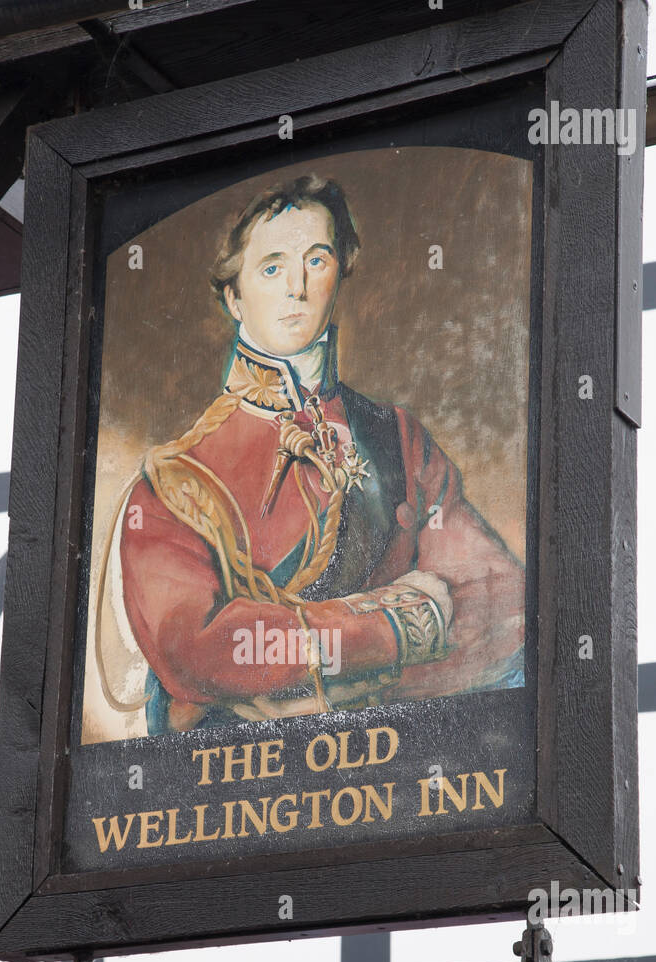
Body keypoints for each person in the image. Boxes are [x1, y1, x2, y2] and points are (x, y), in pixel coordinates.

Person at [118, 173, 525, 734]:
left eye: (316, 260)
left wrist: (352, 696)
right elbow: (195, 652)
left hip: (391, 758)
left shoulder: (397, 437)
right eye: (271, 267)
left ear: (341, 270)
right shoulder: (176, 480)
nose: (297, 288)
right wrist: (393, 630)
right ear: (234, 297)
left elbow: (500, 603)